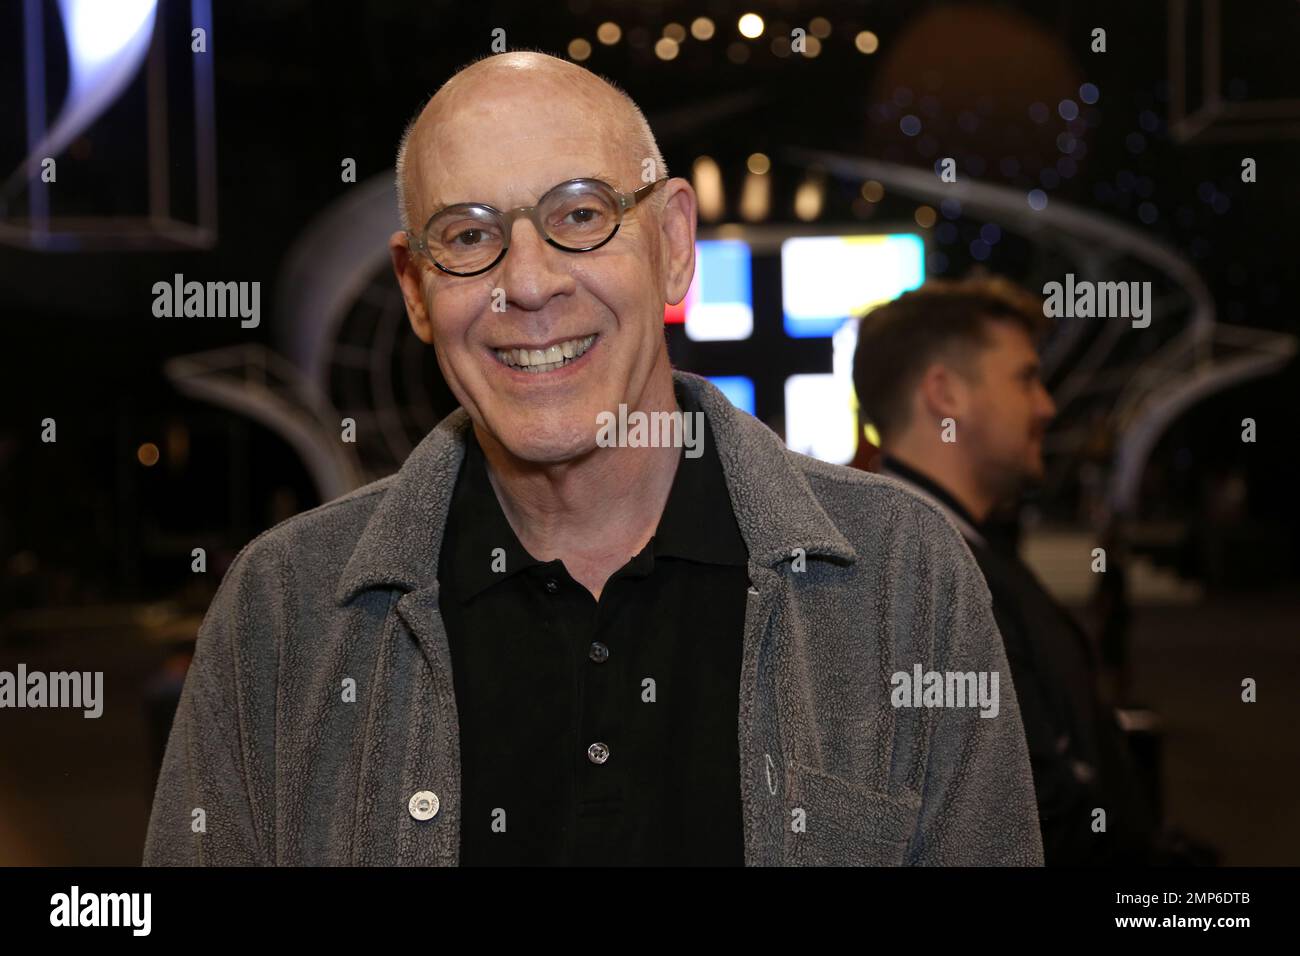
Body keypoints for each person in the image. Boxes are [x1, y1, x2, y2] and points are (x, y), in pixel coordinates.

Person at [143, 52, 1042, 866]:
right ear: (416, 291)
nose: (528, 282)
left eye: (581, 213)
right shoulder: (280, 612)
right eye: (466, 235)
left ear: (674, 244)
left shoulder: (902, 578)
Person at [853, 276, 1214, 865]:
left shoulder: (949, 552)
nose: (1046, 405)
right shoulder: (913, 578)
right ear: (945, 395)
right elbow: (1030, 816)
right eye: (1025, 378)